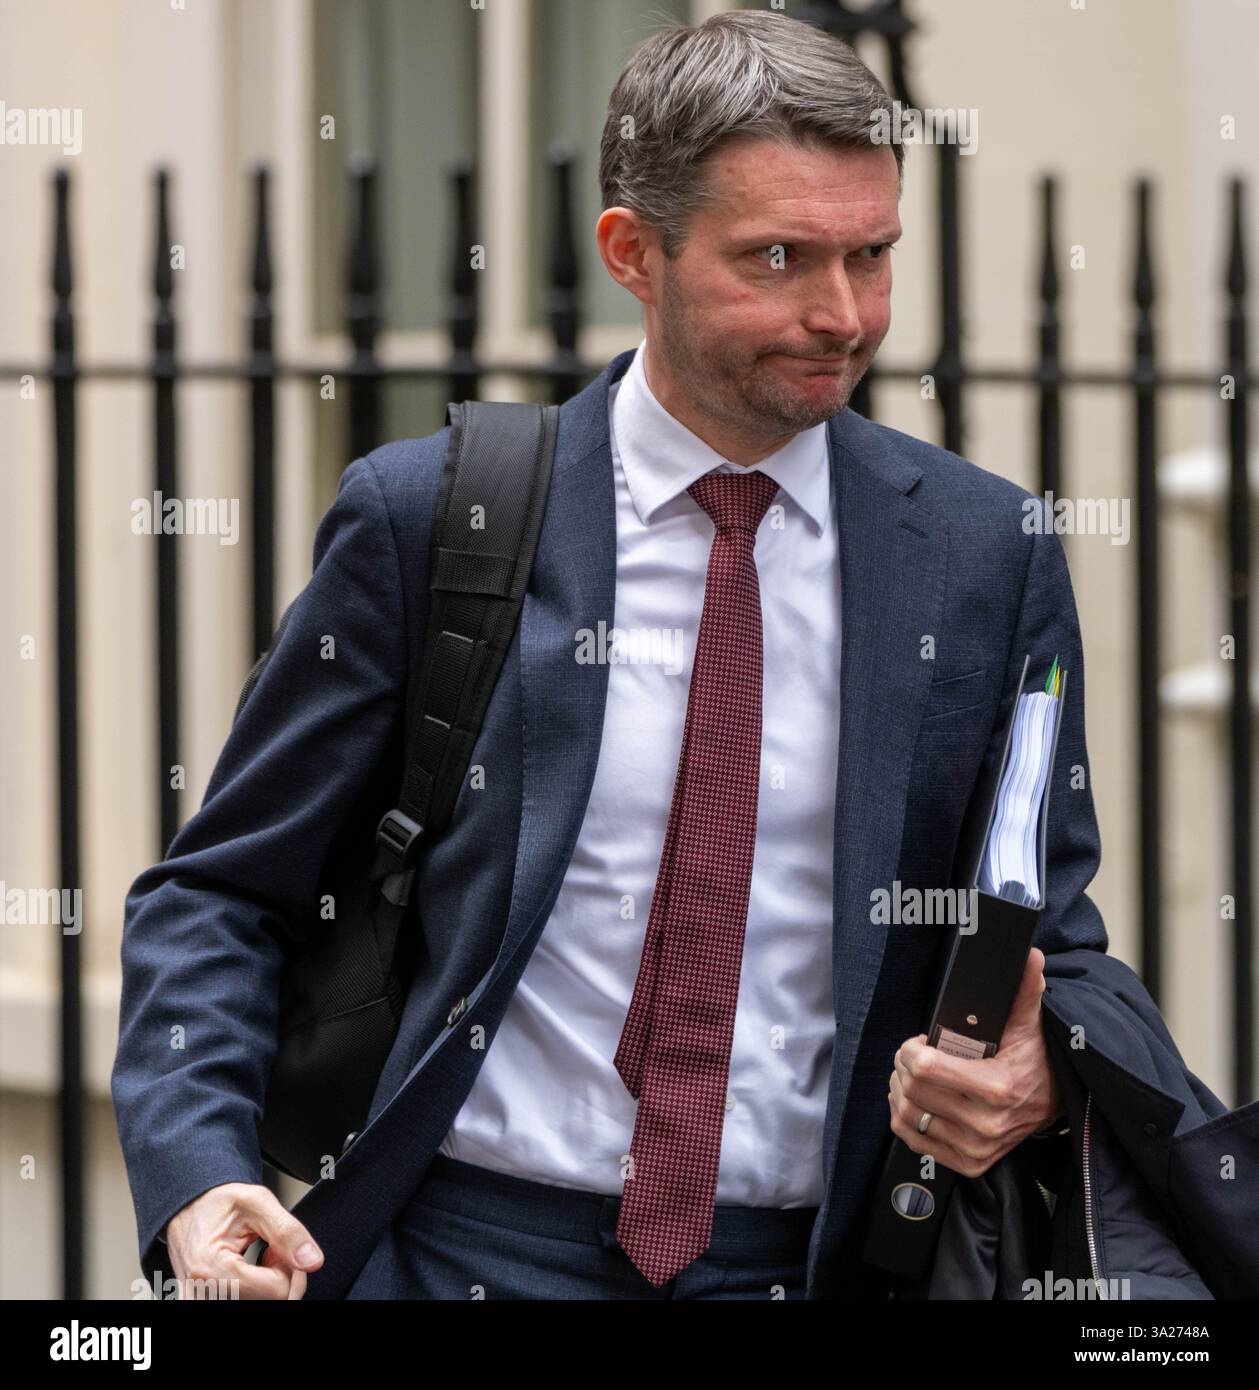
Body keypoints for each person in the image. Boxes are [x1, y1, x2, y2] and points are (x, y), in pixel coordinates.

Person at [114, 10, 1145, 1301]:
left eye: (872, 255)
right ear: (630, 251)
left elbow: (1060, 935)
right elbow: (222, 893)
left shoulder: (986, 550)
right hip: (461, 1253)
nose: (843, 313)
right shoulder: (435, 516)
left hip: (824, 1263)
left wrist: (1041, 1068)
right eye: (776, 257)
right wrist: (200, 1173)